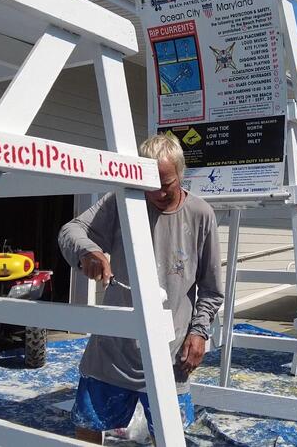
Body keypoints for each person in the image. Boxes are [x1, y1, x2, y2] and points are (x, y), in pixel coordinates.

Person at [58, 134, 223, 444]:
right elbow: (71, 230)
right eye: (151, 185)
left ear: (181, 173)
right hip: (112, 352)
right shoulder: (121, 203)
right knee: (88, 426)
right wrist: (87, 252)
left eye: (167, 184)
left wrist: (199, 332)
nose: (159, 192)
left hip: (170, 355)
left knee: (171, 436)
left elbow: (212, 290)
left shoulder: (201, 215)